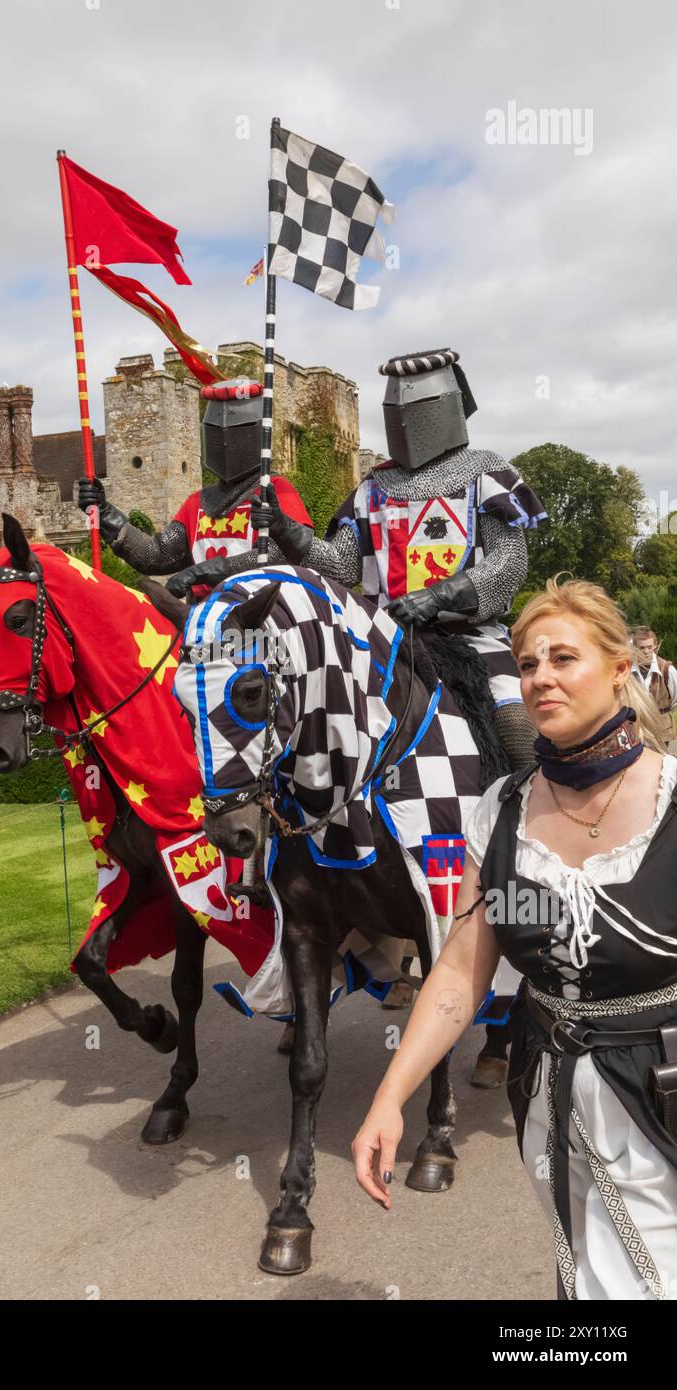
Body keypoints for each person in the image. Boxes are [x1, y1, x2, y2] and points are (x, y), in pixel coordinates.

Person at [352, 577, 677, 1301]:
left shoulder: (672, 798)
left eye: (564, 658)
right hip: (545, 1085)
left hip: (660, 1087)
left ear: (620, 668)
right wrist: (390, 1097)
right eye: (528, 664)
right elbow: (462, 971)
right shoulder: (501, 811)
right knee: (585, 1267)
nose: (540, 678)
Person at [259, 348, 548, 770]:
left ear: (447, 405)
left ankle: (528, 821)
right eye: (398, 406)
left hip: (471, 639)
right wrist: (286, 530)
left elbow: (508, 565)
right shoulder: (371, 489)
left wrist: (438, 597)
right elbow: (341, 567)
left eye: (419, 405)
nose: (408, 417)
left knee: (517, 727)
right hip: (385, 643)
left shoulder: (484, 474)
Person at [77, 378, 313, 599]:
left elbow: (284, 554)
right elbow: (156, 555)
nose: (225, 442)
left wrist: (211, 570)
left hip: (264, 623)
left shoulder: (276, 491)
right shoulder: (198, 503)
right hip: (202, 626)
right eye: (217, 433)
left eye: (234, 432)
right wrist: (105, 512)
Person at [631, 625, 677, 745]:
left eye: (649, 647)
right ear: (634, 647)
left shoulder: (667, 669)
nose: (646, 651)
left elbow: (675, 699)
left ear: (655, 645)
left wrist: (660, 712)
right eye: (641, 648)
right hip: (637, 727)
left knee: (663, 761)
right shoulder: (627, 671)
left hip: (662, 727)